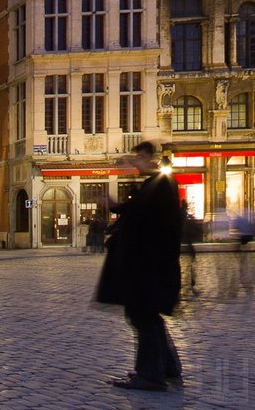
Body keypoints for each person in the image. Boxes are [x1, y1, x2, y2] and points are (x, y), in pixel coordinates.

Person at [95, 142, 183, 392]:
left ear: (147, 156)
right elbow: (139, 211)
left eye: (137, 158)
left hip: (149, 266)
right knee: (148, 315)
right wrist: (116, 207)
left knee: (143, 315)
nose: (135, 163)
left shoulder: (160, 185)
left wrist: (117, 208)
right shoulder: (157, 185)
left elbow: (145, 219)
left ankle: (151, 376)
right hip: (152, 266)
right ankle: (167, 368)